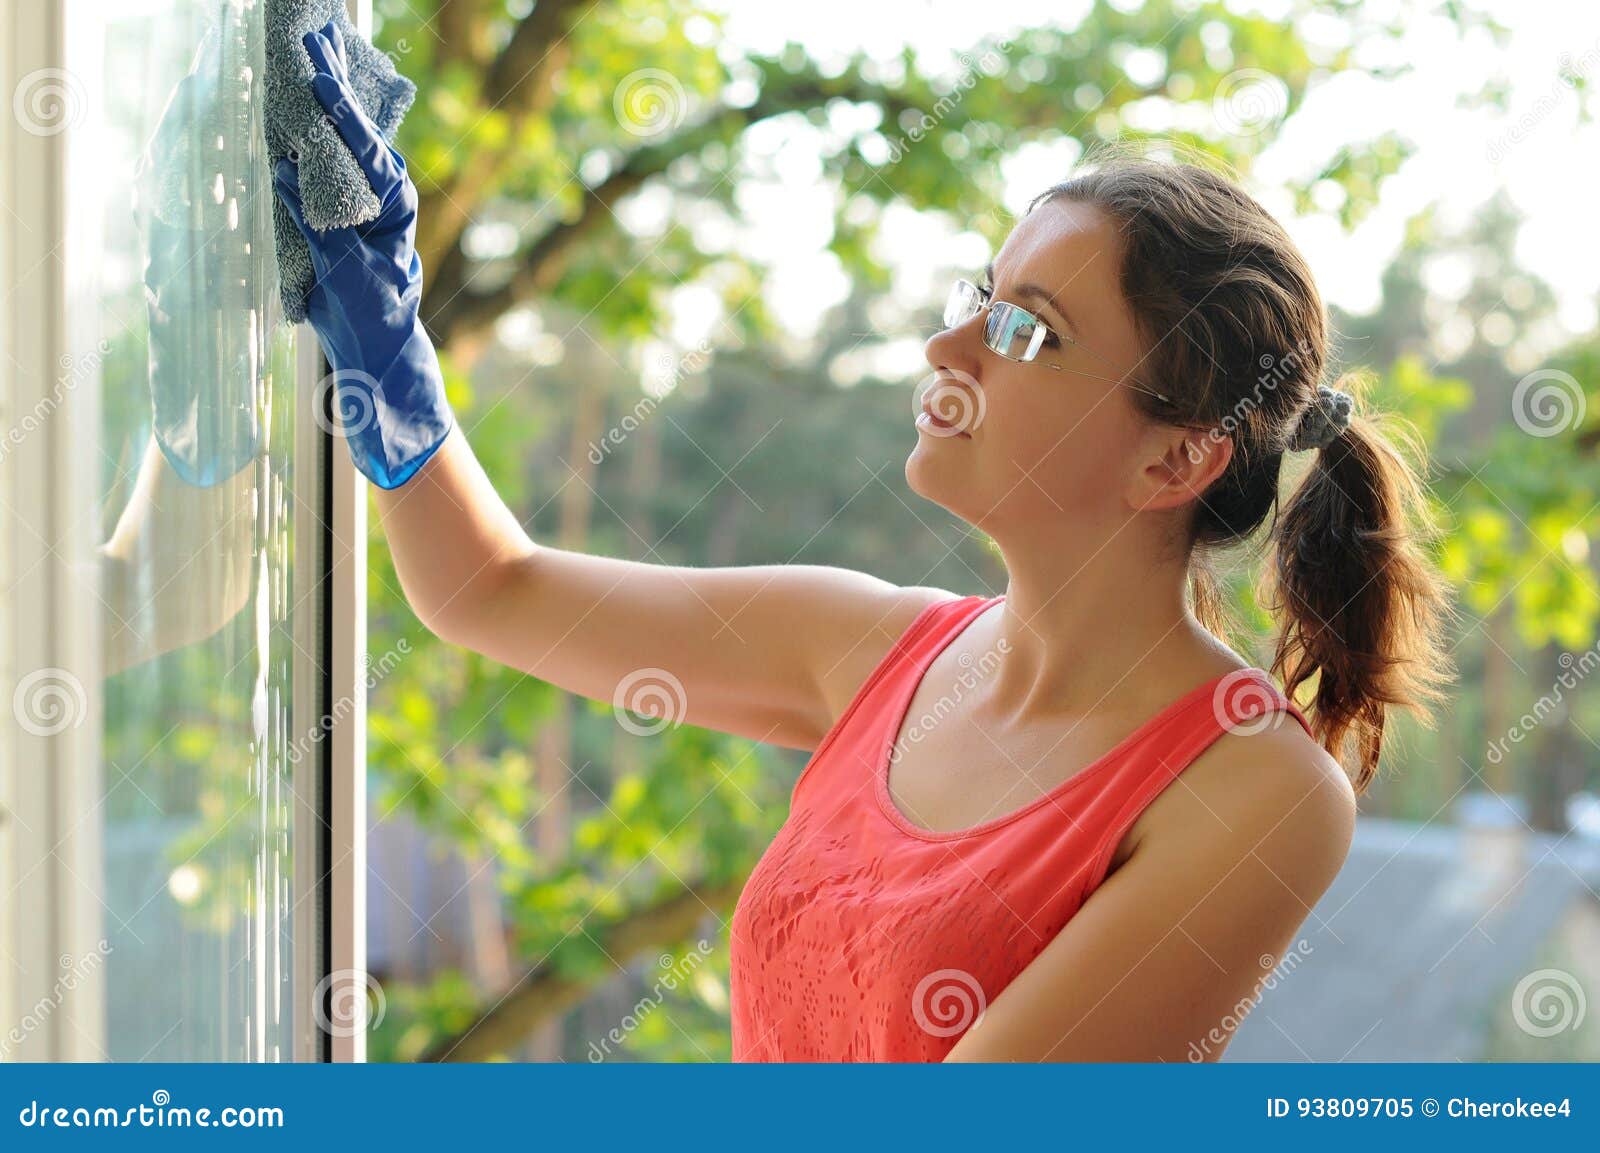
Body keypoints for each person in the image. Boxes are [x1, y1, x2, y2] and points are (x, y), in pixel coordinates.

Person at [275, 23, 1453, 1062]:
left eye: (1028, 332)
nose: (948, 348)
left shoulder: (1256, 790)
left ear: (1176, 459)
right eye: (978, 296)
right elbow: (490, 589)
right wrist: (386, 341)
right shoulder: (877, 652)